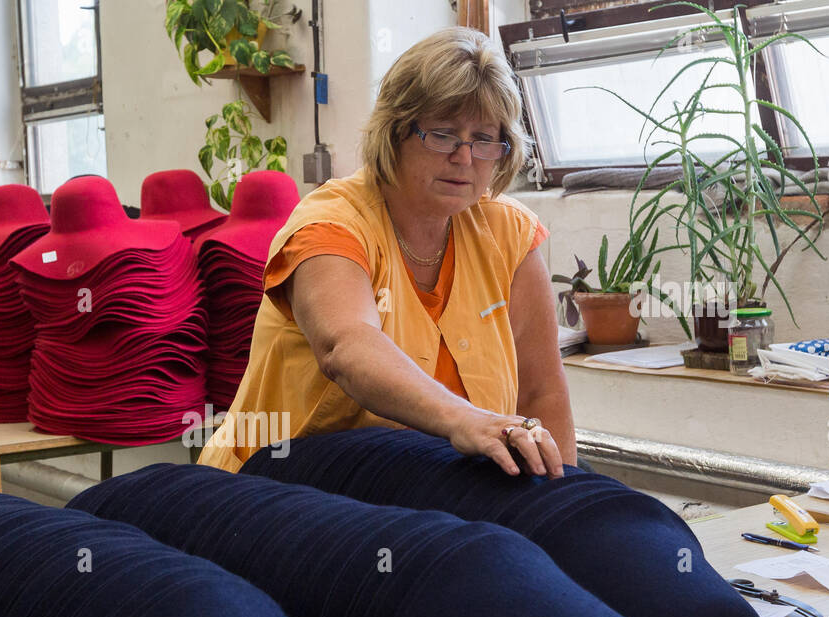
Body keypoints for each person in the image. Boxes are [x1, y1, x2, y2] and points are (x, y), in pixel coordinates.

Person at [198, 27, 575, 479]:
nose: (464, 157)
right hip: (278, 487)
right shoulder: (331, 224)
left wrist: (557, 498)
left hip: (427, 489)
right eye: (442, 134)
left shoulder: (509, 233)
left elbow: (540, 394)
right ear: (394, 132)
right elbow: (347, 347)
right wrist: (466, 420)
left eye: (484, 139)